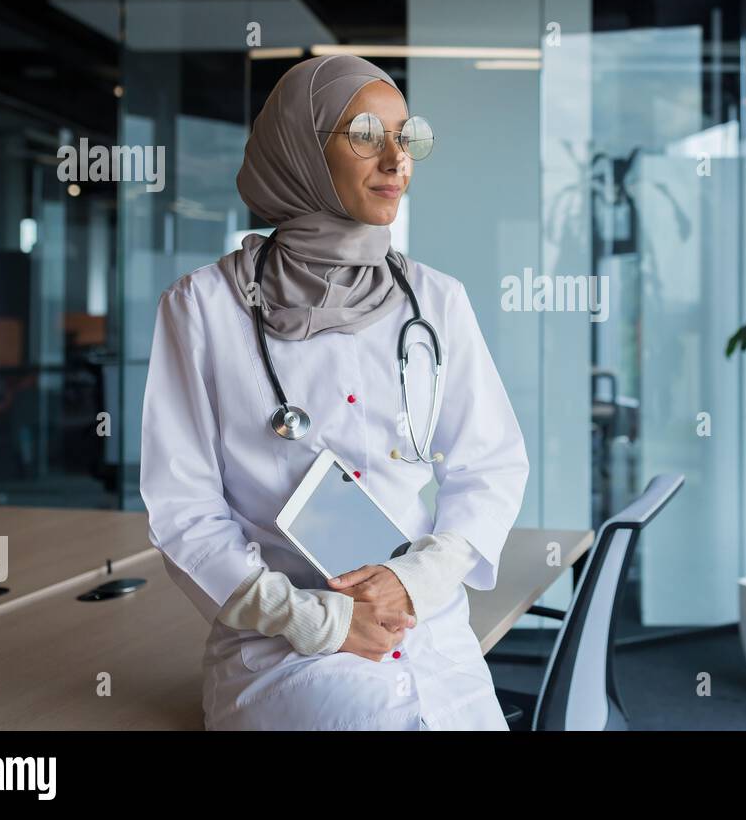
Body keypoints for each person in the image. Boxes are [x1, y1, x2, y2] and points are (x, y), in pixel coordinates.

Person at [139, 54, 529, 730]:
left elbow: (489, 465)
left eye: (406, 138)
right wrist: (311, 618)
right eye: (366, 136)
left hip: (429, 631)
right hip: (287, 648)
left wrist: (419, 577)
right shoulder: (202, 308)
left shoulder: (436, 300)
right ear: (298, 149)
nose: (396, 161)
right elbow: (184, 509)